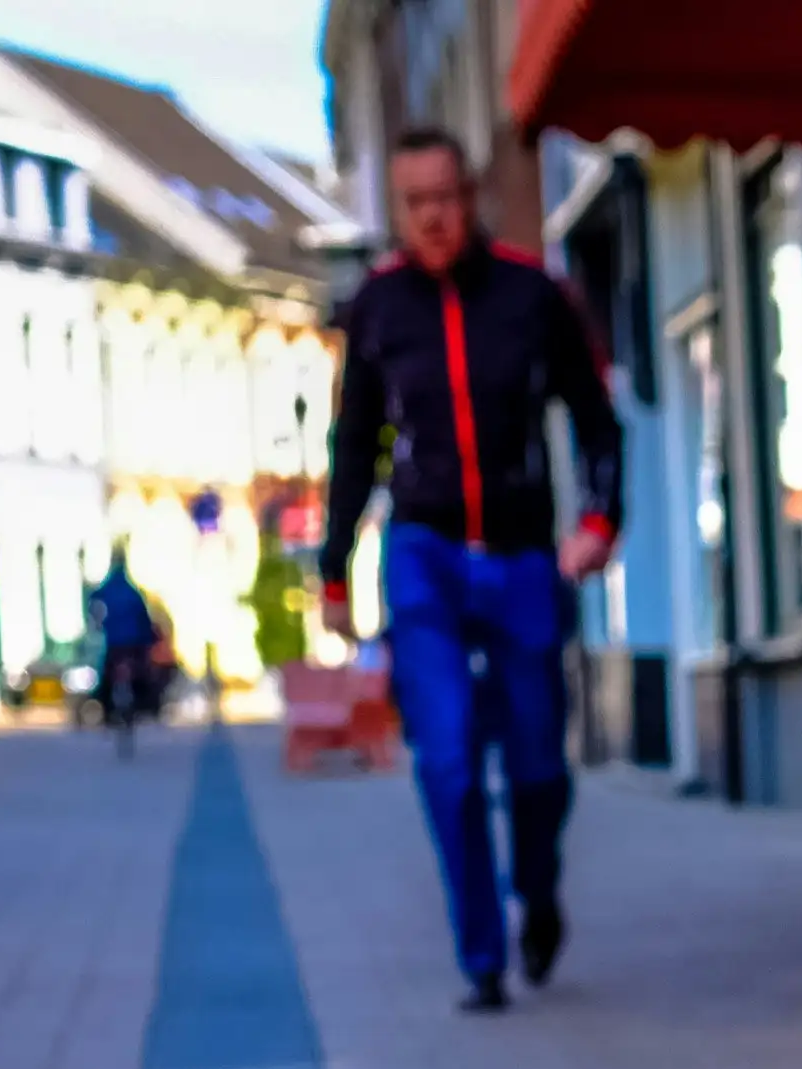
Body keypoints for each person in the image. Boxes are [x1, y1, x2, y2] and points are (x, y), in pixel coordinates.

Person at [322, 126, 622, 1011]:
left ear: (473, 195)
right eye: (413, 205)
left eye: (445, 200)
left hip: (525, 553)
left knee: (538, 763)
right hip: (425, 556)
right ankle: (481, 954)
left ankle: (538, 888)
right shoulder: (378, 309)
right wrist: (335, 569)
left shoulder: (534, 295)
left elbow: (597, 421)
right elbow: (354, 449)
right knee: (447, 760)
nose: (432, 219)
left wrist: (601, 518)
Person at [90, 547, 163, 750]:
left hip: (115, 643)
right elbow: (145, 618)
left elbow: (93, 599)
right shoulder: (132, 591)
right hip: (134, 643)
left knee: (106, 676)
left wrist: (97, 622)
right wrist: (148, 639)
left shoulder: (108, 587)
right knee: (142, 674)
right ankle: (146, 706)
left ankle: (106, 713)